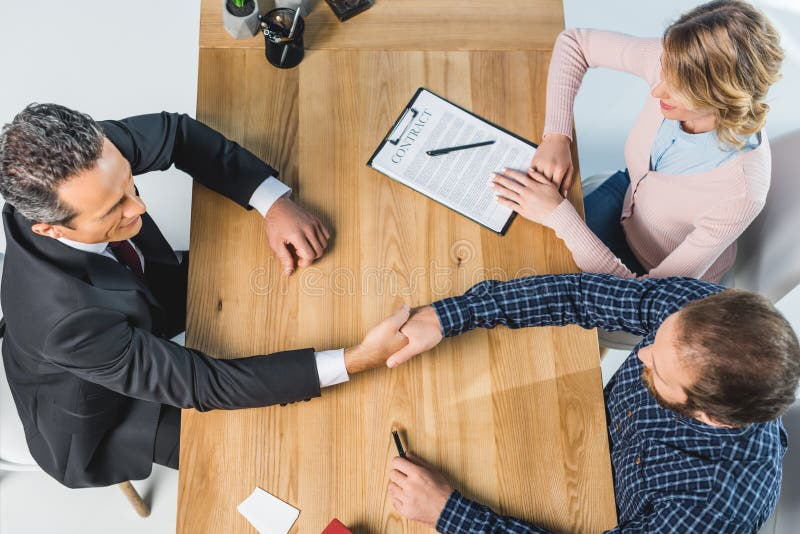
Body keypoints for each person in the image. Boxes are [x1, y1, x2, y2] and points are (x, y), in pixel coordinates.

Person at [0, 103, 410, 488]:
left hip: (137, 296)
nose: (139, 208)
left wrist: (274, 203)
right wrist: (355, 359)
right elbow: (204, 383)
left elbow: (176, 134)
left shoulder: (88, 161)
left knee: (261, 278)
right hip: (109, 418)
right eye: (113, 210)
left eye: (129, 183)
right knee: (267, 454)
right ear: (49, 228)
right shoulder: (62, 322)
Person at [382, 273, 799, 532]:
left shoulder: (709, 511)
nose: (640, 354)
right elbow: (582, 295)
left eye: (659, 370)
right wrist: (453, 315)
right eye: (658, 337)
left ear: (708, 416)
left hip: (588, 509)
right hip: (576, 435)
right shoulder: (700, 317)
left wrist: (447, 513)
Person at [489, 0, 784, 282]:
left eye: (679, 88)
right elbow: (575, 43)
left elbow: (645, 292)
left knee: (534, 286)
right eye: (664, 68)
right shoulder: (677, 60)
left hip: (652, 272)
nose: (657, 91)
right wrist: (556, 136)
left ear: (723, 96)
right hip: (628, 201)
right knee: (513, 248)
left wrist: (559, 215)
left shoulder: (741, 192)